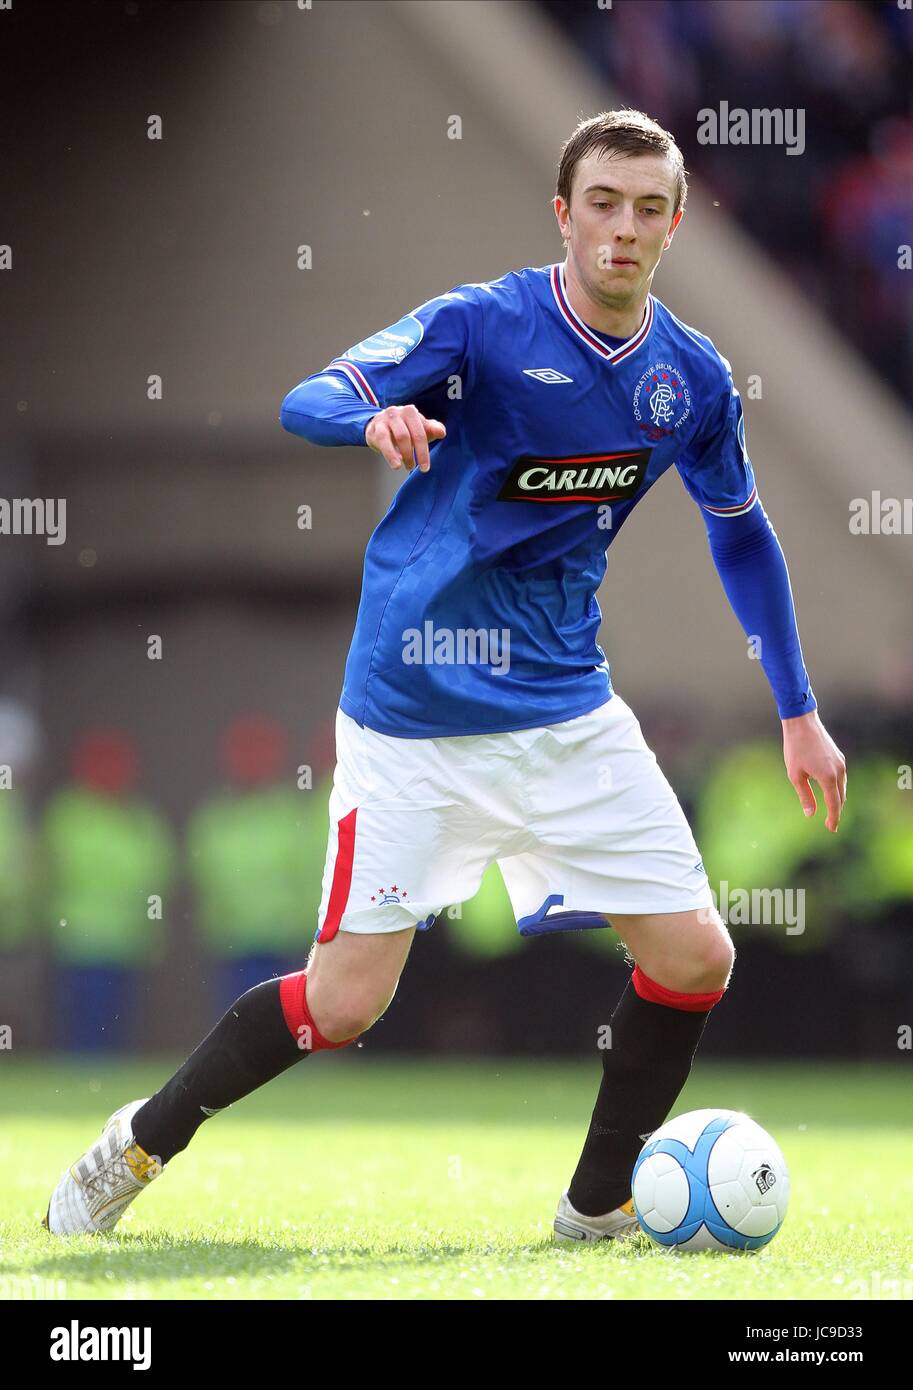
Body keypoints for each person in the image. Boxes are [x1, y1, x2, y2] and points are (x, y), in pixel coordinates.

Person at [43, 109, 846, 1239]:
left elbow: (742, 533)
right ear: (562, 214)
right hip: (412, 717)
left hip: (566, 710)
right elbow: (307, 396)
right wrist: (373, 421)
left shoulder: (691, 378)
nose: (624, 228)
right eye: (602, 204)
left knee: (695, 955)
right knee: (342, 1004)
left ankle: (594, 1206)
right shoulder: (479, 325)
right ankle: (135, 1144)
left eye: (649, 208)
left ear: (673, 224)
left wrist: (798, 711)